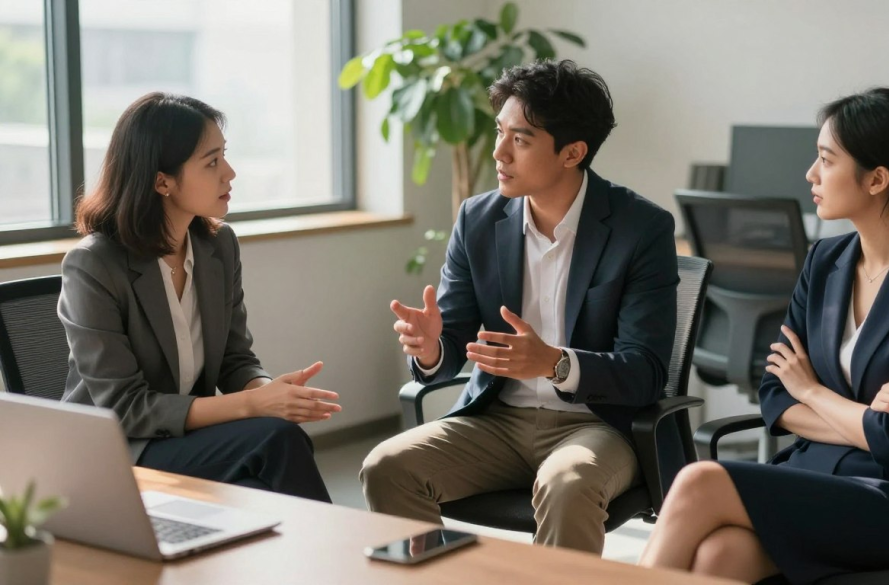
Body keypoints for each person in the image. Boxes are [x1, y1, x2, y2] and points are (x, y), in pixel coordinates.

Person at [638, 87, 889, 584]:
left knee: (701, 479)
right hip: (814, 477)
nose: (810, 173)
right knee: (720, 557)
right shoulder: (825, 260)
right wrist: (866, 419)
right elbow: (773, 396)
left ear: (877, 179)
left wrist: (811, 391)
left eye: (826, 159)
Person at [360, 60, 679, 554]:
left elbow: (646, 372)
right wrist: (429, 350)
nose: (498, 151)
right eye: (499, 131)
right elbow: (452, 341)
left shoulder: (641, 229)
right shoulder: (478, 219)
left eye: (521, 139)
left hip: (596, 424)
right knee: (388, 466)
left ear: (573, 152)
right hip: (497, 421)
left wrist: (554, 362)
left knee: (568, 484)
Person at [59, 92, 339, 503]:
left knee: (258, 486)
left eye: (224, 156)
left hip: (186, 439)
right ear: (162, 181)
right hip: (119, 448)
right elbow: (126, 407)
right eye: (212, 162)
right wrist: (253, 405)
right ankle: (335, 559)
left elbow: (233, 358)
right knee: (276, 441)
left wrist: (269, 390)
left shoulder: (218, 245)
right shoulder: (94, 265)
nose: (230, 173)